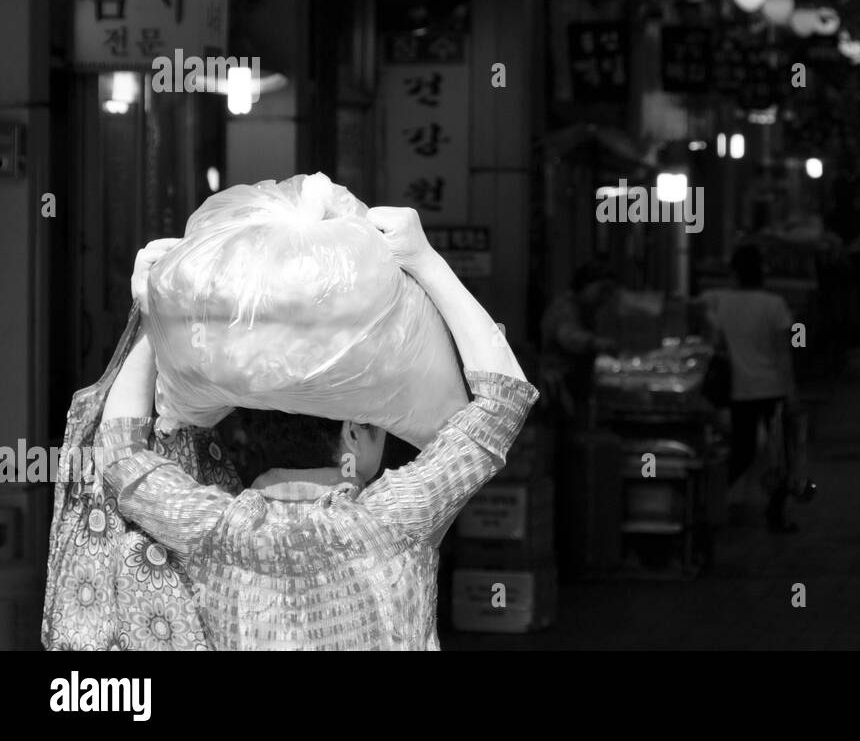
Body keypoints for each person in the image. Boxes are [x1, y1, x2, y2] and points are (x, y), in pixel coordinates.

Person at [99, 208, 539, 650]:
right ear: (353, 430)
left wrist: (151, 311)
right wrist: (424, 260)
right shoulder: (393, 521)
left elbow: (120, 453)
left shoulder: (212, 530)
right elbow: (504, 400)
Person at [700, 245, 803, 533]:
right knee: (781, 452)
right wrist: (791, 391)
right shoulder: (775, 304)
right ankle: (775, 514)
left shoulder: (725, 304)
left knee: (742, 452)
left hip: (741, 389)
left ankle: (708, 502)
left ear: (734, 273)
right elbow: (785, 352)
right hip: (773, 388)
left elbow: (718, 344)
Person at [539, 261, 618, 423]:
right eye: (602, 290)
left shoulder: (584, 308)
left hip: (575, 381)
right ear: (586, 285)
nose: (605, 297)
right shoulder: (566, 307)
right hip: (560, 384)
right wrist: (597, 343)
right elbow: (569, 338)